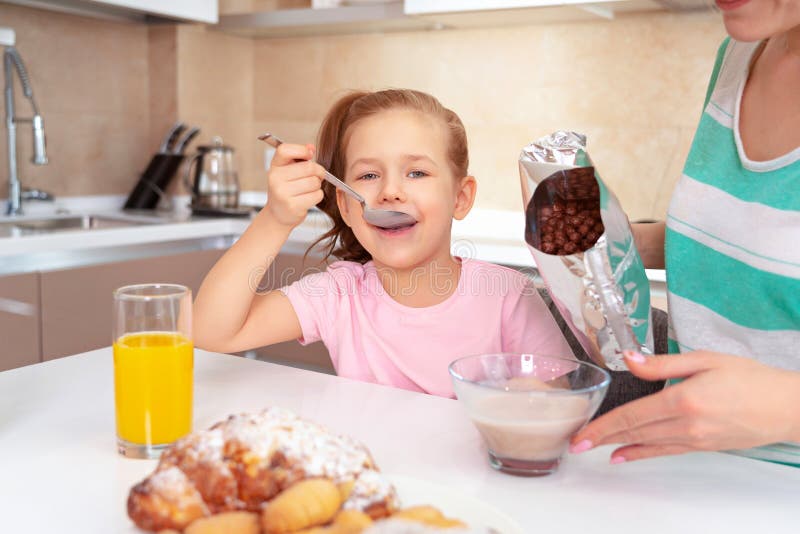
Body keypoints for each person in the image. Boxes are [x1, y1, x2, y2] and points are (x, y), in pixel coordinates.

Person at [193, 89, 573, 397]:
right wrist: (275, 219)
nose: (390, 192)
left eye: (417, 172)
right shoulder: (339, 294)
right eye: (370, 174)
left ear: (460, 197)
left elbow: (560, 403)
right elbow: (211, 334)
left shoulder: (509, 296)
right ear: (344, 203)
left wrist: (526, 395)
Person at [570, 0, 800, 465]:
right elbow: (735, 248)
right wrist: (609, 245)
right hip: (688, 471)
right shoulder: (738, 55)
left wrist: (788, 408)